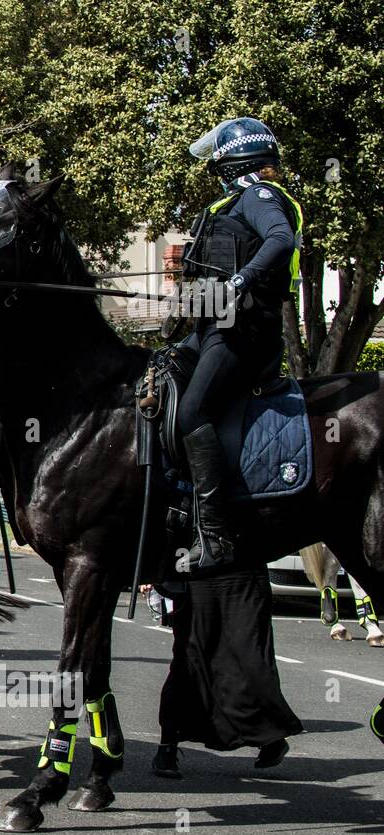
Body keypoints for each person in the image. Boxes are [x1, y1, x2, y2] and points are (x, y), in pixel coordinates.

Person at [178, 117, 303, 573]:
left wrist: (239, 280)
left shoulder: (260, 196)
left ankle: (213, 535)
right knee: (159, 377)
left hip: (246, 333)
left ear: (235, 163)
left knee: (193, 410)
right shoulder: (227, 206)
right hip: (214, 328)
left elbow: (280, 240)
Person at [154, 561, 303, 777]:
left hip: (244, 571)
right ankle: (167, 747)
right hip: (195, 572)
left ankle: (271, 736)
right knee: (189, 662)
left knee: (251, 660)